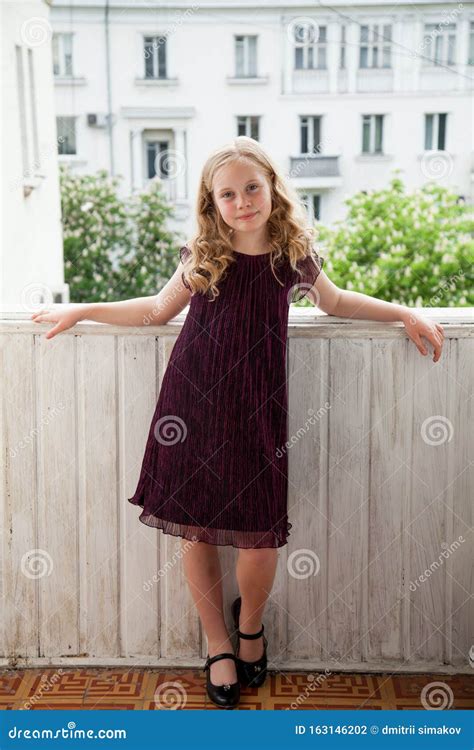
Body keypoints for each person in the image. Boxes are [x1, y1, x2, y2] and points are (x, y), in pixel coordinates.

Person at [31, 136, 445, 709]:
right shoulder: (204, 255)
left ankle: (250, 624)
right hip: (193, 405)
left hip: (258, 410)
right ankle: (218, 642)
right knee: (195, 526)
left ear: (273, 188)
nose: (243, 201)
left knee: (260, 533)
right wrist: (82, 309)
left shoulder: (291, 255)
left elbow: (335, 303)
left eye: (252, 187)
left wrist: (405, 312)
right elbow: (154, 310)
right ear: (212, 203)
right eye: (228, 194)